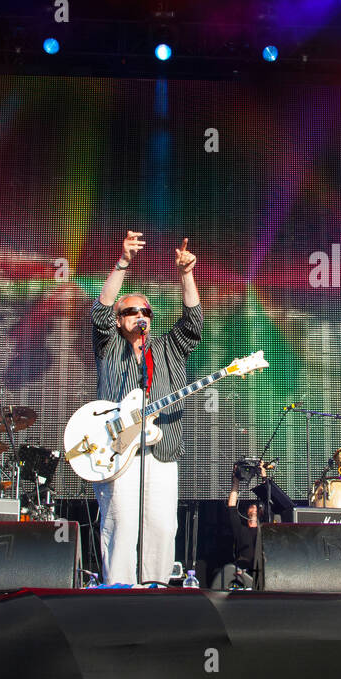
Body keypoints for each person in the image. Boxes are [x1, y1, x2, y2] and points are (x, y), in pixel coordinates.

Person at [91, 231, 201, 585]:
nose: (140, 315)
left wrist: (186, 275)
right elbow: (100, 312)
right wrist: (123, 262)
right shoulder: (110, 346)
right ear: (121, 319)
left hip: (161, 448)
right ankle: (119, 591)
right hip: (118, 450)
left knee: (161, 524)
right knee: (122, 523)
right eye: (132, 311)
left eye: (146, 311)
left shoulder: (168, 347)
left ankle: (156, 590)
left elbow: (193, 324)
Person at [214, 463, 262, 591]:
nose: (254, 509)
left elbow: (269, 500)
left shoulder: (264, 530)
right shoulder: (241, 530)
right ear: (247, 512)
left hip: (260, 571)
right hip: (242, 572)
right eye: (251, 507)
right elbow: (232, 508)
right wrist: (235, 482)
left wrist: (263, 476)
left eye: (256, 506)